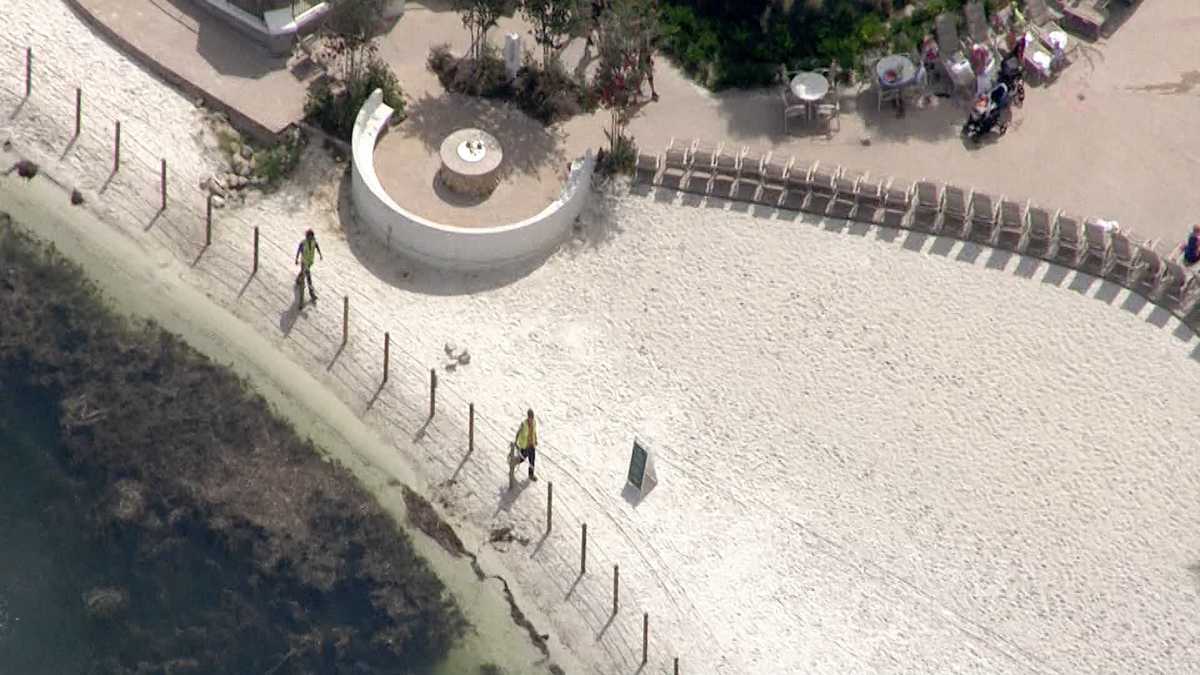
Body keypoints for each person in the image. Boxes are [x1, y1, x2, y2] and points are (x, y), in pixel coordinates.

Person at [293, 229, 323, 307]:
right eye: (309, 237)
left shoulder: (314, 242)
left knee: (304, 272)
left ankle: (298, 279)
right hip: (304, 261)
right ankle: (311, 292)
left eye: (311, 236)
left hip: (310, 261)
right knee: (308, 276)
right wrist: (296, 259)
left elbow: (317, 247)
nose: (310, 238)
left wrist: (320, 255)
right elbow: (298, 251)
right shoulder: (303, 243)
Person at [513, 408, 538, 481]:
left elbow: (534, 432)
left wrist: (535, 440)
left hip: (531, 445)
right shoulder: (523, 424)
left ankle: (531, 474)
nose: (531, 419)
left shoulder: (534, 422)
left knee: (532, 460)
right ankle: (514, 463)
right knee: (522, 459)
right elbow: (518, 433)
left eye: (532, 417)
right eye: (530, 417)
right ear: (528, 417)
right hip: (524, 446)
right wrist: (516, 443)